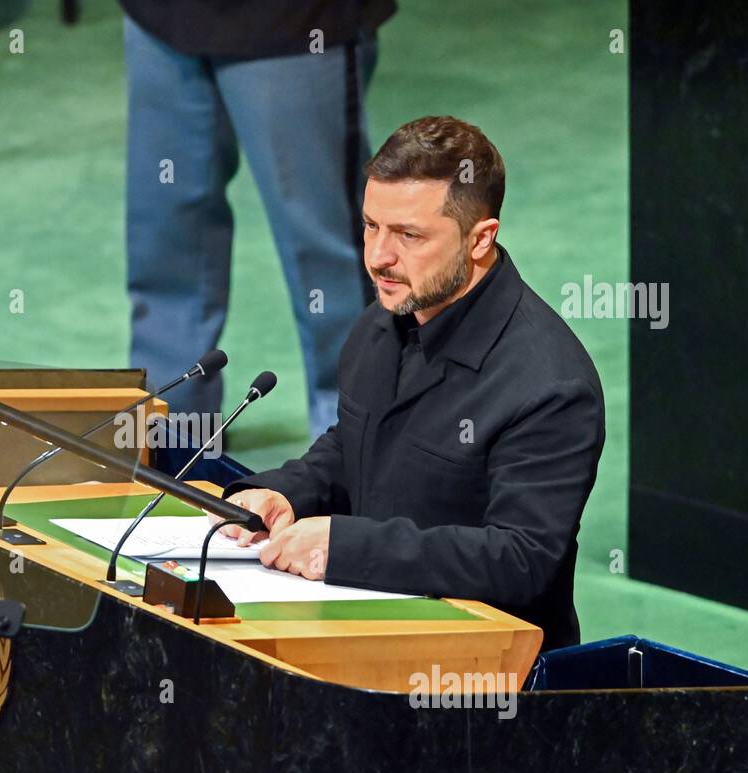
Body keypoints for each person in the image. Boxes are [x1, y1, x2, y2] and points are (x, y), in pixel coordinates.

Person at [216, 116, 606, 650]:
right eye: (371, 226)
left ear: (480, 239)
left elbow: (520, 559)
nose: (378, 257)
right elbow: (355, 445)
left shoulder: (549, 386)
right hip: (368, 632)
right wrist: (287, 493)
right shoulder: (384, 320)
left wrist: (345, 546)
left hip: (484, 675)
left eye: (408, 235)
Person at [120, 0, 398, 439]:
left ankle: (351, 448)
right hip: (159, 20)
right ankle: (171, 437)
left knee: (329, 260)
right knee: (166, 243)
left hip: (295, 23)